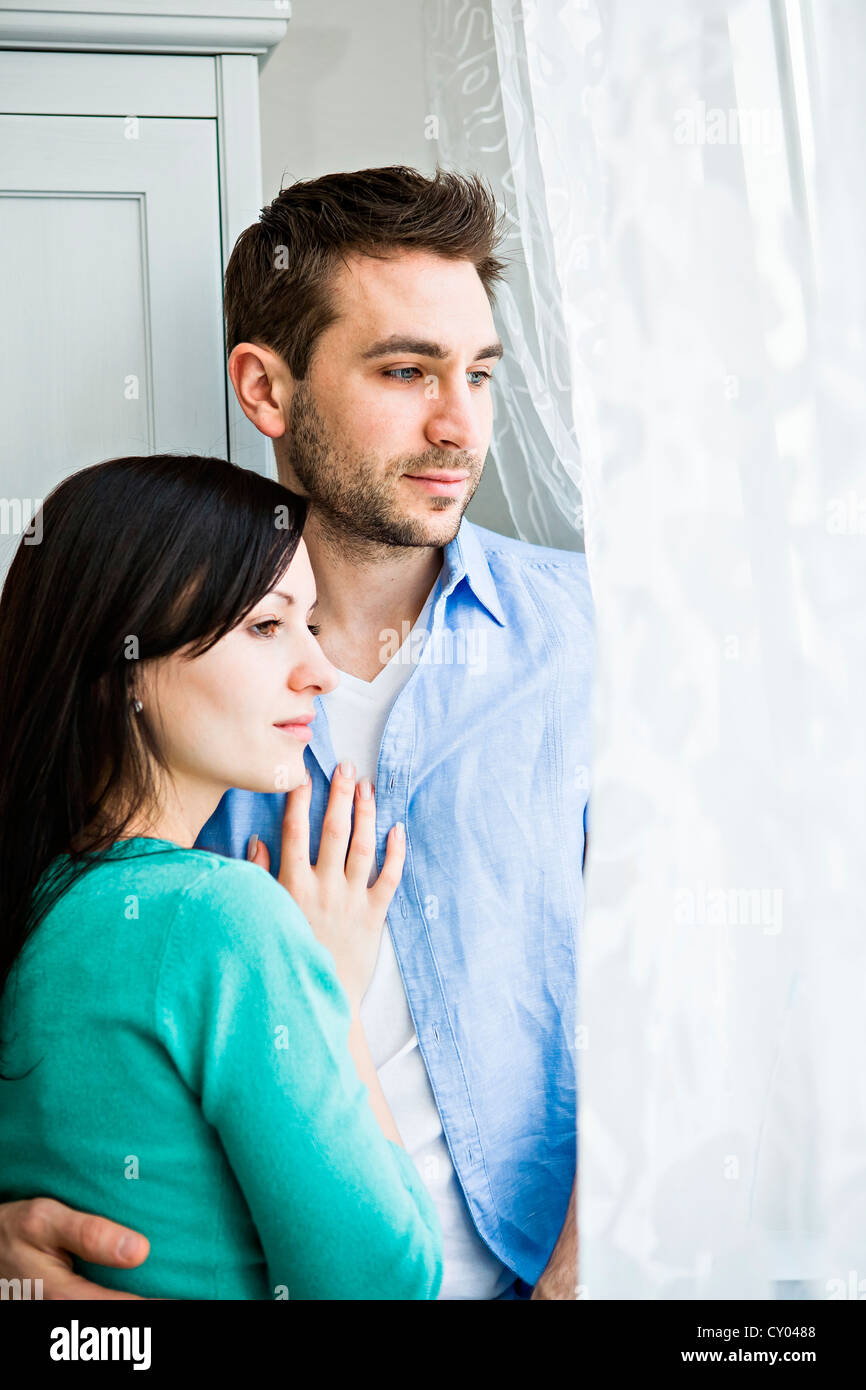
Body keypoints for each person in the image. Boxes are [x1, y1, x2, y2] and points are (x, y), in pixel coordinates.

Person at [0, 167, 593, 1300]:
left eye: (477, 373)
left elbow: (690, 981)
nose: (458, 424)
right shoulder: (150, 668)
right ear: (266, 388)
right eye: (405, 369)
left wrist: (587, 1267)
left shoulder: (590, 638)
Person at [0, 454, 442, 1300]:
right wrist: (335, 1003)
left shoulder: (40, 906)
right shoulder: (220, 918)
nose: (318, 669)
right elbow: (389, 1286)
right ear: (126, 657)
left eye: (310, 625)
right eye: (267, 627)